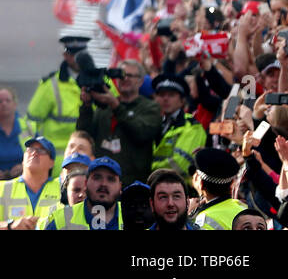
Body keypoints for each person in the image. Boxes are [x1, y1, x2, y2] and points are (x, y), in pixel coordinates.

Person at [76, 58, 161, 186]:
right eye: (121, 75)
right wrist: (87, 106)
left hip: (133, 182)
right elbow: (84, 135)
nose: (125, 78)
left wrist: (115, 105)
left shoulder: (150, 107)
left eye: (130, 76)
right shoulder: (104, 107)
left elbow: (141, 133)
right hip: (102, 181)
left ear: (141, 81)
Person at [27, 34, 87, 174]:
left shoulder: (101, 81)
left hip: (90, 161)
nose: (77, 58)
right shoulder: (51, 85)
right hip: (56, 166)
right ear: (65, 55)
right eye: (73, 54)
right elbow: (31, 123)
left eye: (81, 54)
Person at [0, 136, 60, 230]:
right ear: (23, 158)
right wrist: (10, 225)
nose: (34, 153)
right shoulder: (3, 189)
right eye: (30, 150)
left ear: (52, 163)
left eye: (41, 150)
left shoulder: (62, 189)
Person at [40, 157, 124, 230]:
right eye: (97, 177)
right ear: (86, 183)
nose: (103, 183)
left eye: (111, 179)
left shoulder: (133, 214)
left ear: (120, 186)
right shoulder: (61, 220)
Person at [149, 76, 208, 179]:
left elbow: (181, 164)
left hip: (182, 190)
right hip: (156, 186)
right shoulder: (155, 123)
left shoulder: (192, 126)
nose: (165, 99)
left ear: (182, 101)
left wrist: (149, 169)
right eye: (161, 95)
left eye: (171, 95)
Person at [189, 147, 248, 230]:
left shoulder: (204, 221)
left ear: (201, 183)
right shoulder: (242, 207)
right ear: (231, 184)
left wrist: (186, 216)